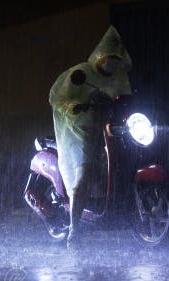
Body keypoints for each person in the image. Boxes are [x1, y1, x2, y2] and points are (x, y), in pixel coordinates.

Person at [48, 26, 132, 248]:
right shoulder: (82, 74)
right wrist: (76, 106)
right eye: (109, 59)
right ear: (100, 57)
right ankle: (74, 230)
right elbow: (58, 96)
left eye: (116, 59)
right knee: (83, 176)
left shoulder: (118, 78)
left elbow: (126, 99)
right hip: (79, 130)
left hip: (104, 128)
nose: (112, 64)